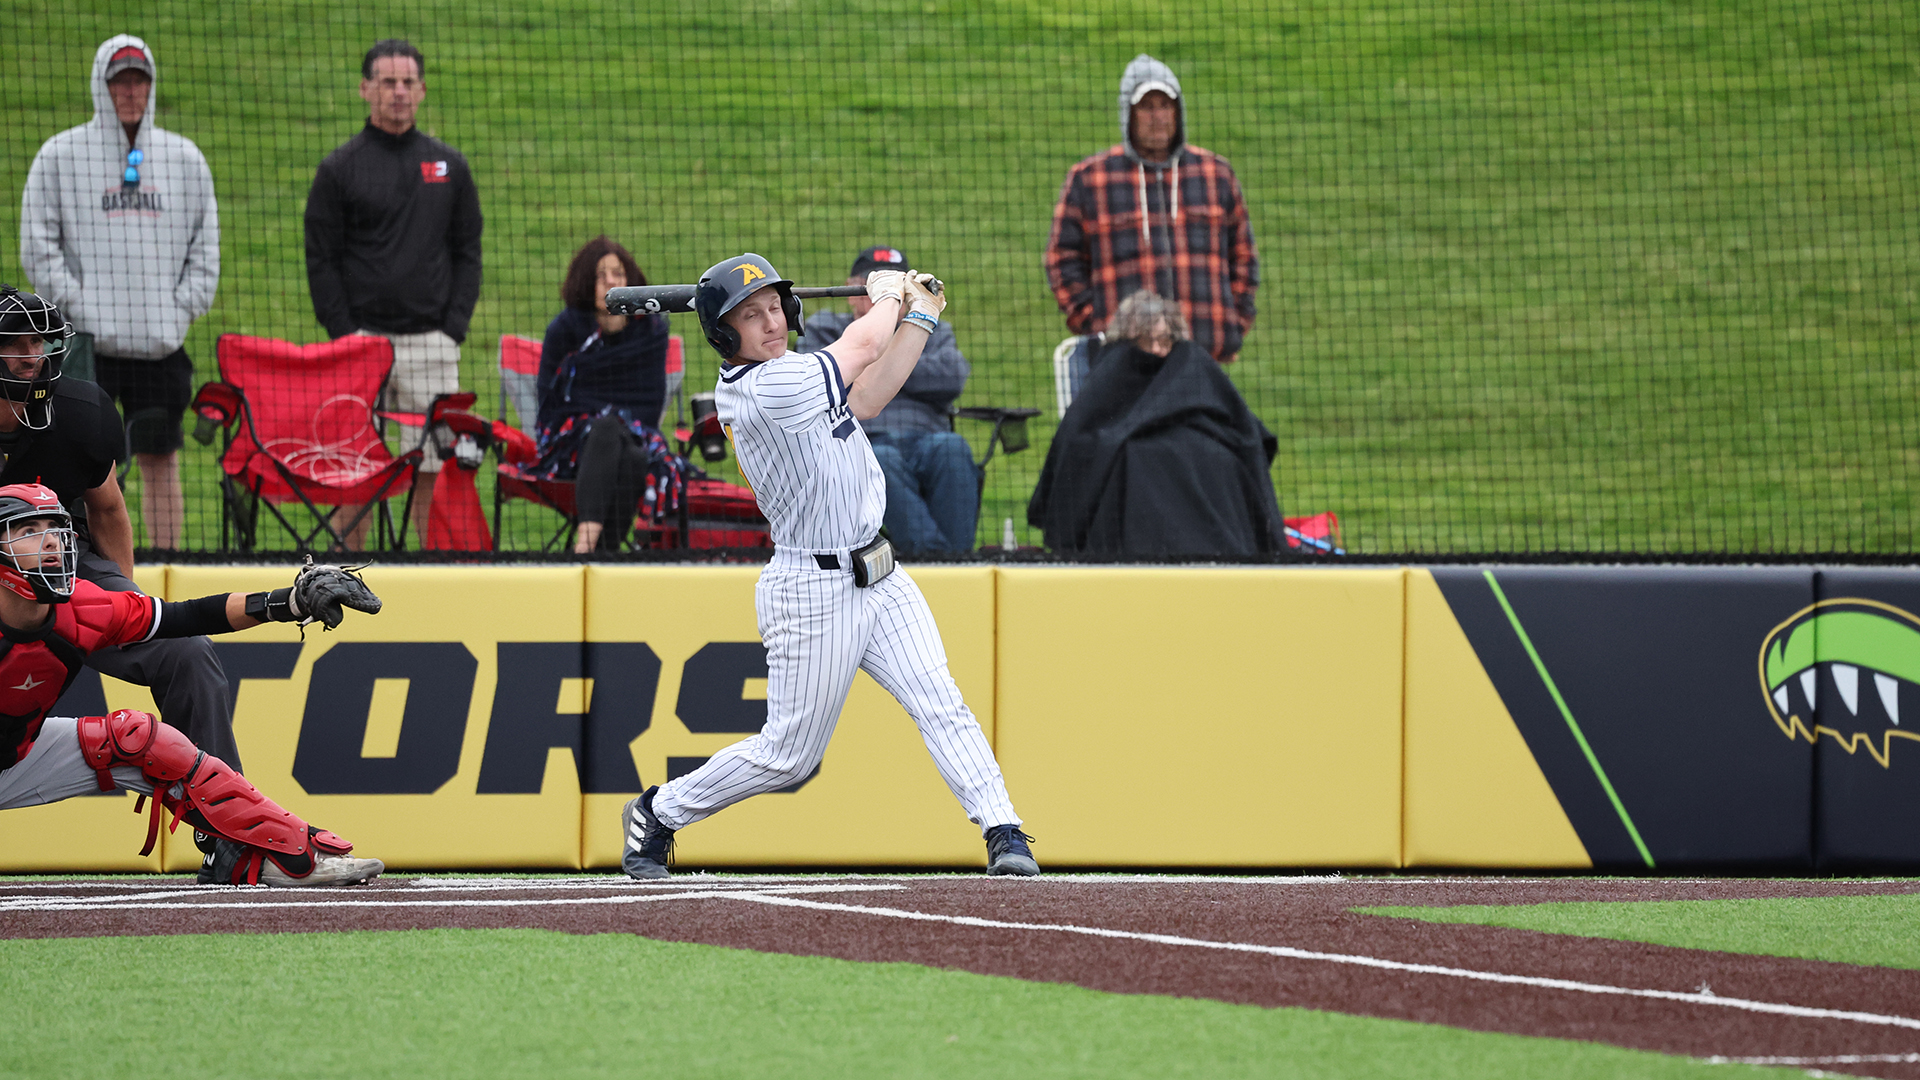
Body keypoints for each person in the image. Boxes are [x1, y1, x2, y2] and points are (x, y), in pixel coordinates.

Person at [620, 254, 1037, 880]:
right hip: (810, 587)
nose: (769, 324)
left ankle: (1004, 831)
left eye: (772, 309)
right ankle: (660, 811)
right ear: (723, 333)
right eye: (750, 316)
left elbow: (868, 397)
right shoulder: (765, 389)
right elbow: (864, 344)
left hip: (880, 574)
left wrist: (919, 315)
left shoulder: (793, 371)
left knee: (940, 701)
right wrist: (887, 296)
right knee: (788, 755)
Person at [0, 481, 386, 886]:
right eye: (29, 531)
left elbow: (187, 617)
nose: (50, 543)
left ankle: (275, 853)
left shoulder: (86, 606)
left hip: (15, 758)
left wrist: (288, 601)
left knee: (143, 741)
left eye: (53, 528)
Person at [0, 286, 246, 798]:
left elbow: (108, 508)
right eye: (17, 343)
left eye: (40, 342)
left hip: (56, 555)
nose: (34, 356)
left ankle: (231, 826)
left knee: (186, 651)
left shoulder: (80, 412)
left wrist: (118, 613)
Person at [20, 35, 219, 550]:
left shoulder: (184, 159)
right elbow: (38, 248)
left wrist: (177, 313)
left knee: (160, 457)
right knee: (86, 462)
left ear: (151, 86)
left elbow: (206, 251)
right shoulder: (61, 156)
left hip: (161, 347)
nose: (130, 91)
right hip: (89, 348)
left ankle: (169, 567)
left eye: (139, 80)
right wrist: (83, 310)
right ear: (101, 86)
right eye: (120, 81)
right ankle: (87, 564)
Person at [304, 38, 483, 544]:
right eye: (388, 82)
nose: (398, 92)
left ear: (422, 91)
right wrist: (345, 336)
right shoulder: (339, 169)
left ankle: (427, 581)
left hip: (433, 346)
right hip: (361, 347)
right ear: (366, 89)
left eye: (408, 82)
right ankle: (341, 583)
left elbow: (468, 252)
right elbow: (321, 259)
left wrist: (453, 331)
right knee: (355, 472)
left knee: (433, 468)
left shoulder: (450, 166)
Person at [1045, 53, 1259, 398]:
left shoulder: (1216, 174)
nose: (1158, 116)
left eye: (1165, 105)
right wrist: (1098, 325)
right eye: (1146, 107)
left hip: (1204, 360)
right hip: (1122, 367)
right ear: (1127, 114)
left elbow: (1244, 258)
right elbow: (1061, 260)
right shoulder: (1091, 179)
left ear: (1178, 111)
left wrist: (1233, 324)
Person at [1026, 291, 1286, 558]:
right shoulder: (1113, 370)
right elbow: (1081, 435)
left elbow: (1238, 425)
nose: (1156, 351)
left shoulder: (1192, 365)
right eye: (1146, 342)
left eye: (1163, 341)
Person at [796, 246, 979, 555]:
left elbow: (951, 377)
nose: (882, 296)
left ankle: (955, 561)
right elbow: (816, 384)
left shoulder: (933, 326)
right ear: (852, 291)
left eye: (894, 287)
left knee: (953, 449)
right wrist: (904, 353)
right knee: (881, 460)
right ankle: (939, 560)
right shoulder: (824, 327)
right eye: (872, 285)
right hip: (861, 440)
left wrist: (869, 360)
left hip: (927, 438)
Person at [532, 236, 683, 554]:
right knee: (608, 429)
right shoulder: (564, 329)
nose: (611, 282)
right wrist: (606, 421)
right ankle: (594, 551)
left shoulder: (650, 331)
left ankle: (590, 555)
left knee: (633, 453)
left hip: (632, 437)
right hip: (569, 444)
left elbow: (649, 404)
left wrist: (616, 421)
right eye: (601, 276)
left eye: (618, 274)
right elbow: (549, 401)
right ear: (586, 282)